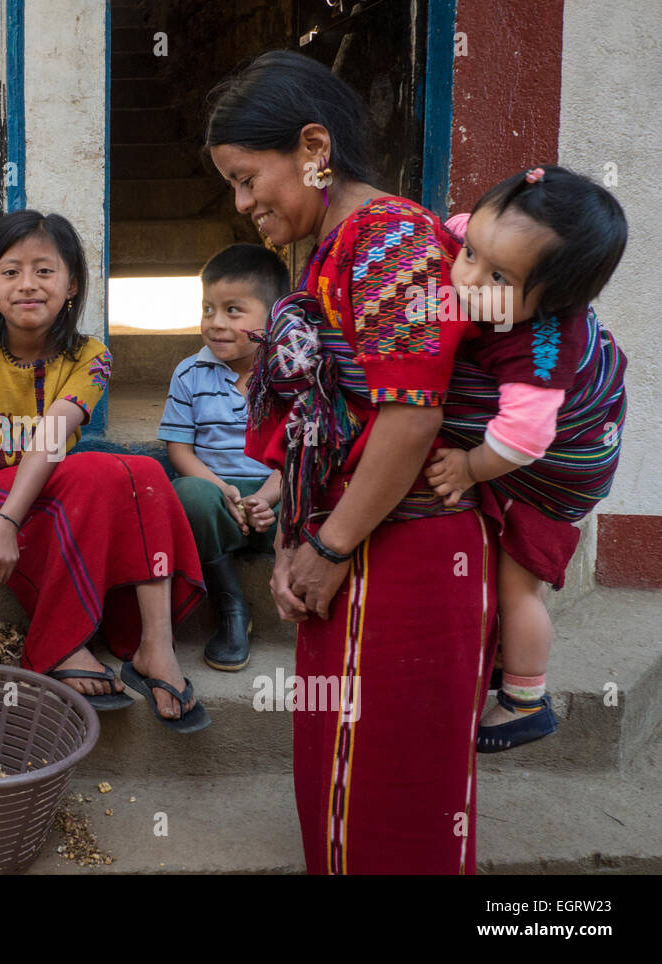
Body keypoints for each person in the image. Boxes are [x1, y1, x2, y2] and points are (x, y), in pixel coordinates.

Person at [208, 49, 497, 873]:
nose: (242, 203)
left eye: (245, 176)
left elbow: (411, 418)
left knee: (389, 802)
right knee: (343, 786)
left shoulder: (388, 240)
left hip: (400, 559)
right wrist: (305, 542)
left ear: (312, 146)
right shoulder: (338, 249)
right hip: (358, 548)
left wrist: (330, 548)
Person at [0, 209, 210, 732]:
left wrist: (11, 521)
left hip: (49, 494)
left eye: (45, 270)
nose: (27, 285)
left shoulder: (91, 355)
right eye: (10, 271)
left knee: (144, 474)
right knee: (93, 475)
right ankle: (60, 643)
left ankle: (156, 645)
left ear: (72, 285)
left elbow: (51, 435)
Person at [424, 165, 628, 751]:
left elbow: (522, 442)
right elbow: (463, 229)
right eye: (468, 252)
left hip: (563, 471)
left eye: (496, 276)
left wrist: (467, 468)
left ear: (554, 300)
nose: (467, 278)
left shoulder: (540, 348)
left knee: (519, 587)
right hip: (536, 442)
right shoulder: (489, 244)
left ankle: (524, 699)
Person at [161, 244, 286, 671]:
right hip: (220, 501)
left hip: (277, 496)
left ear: (271, 318)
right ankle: (231, 606)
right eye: (208, 308)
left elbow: (300, 450)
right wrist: (222, 490)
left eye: (233, 311)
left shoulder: (290, 372)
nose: (215, 323)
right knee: (185, 496)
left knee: (326, 490)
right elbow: (179, 450)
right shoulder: (190, 373)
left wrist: (267, 498)